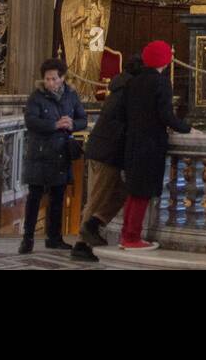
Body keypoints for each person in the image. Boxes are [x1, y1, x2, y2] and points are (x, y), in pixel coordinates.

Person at [120, 40, 201, 250]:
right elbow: (166, 115)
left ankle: (126, 234)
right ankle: (132, 238)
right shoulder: (160, 82)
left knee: (133, 191)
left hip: (133, 141)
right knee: (142, 193)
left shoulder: (133, 81)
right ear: (165, 60)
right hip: (150, 144)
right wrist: (188, 129)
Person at [70, 55, 144, 263]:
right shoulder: (129, 91)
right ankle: (81, 244)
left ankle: (94, 224)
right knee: (97, 197)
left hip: (105, 149)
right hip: (106, 152)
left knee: (120, 191)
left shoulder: (121, 88)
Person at [19, 58, 87, 254]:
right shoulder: (36, 97)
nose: (50, 82)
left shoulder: (71, 95)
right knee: (35, 197)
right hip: (40, 153)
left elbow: (83, 118)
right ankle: (28, 238)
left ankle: (55, 238)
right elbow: (30, 121)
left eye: (54, 79)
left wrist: (72, 123)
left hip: (60, 153)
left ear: (62, 78)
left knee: (58, 197)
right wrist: (54, 125)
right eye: (47, 79)